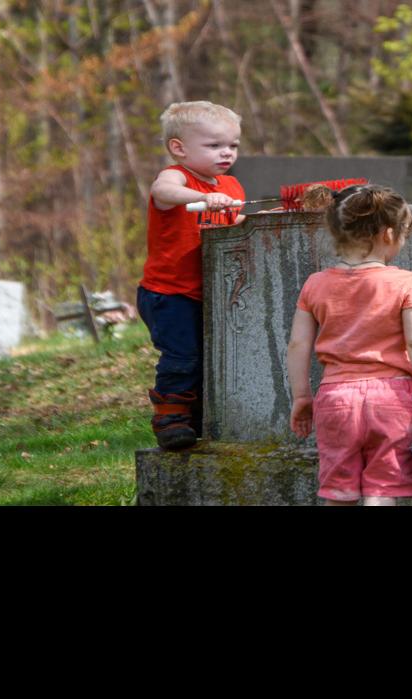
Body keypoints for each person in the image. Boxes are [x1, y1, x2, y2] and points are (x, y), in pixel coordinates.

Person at [286, 185, 412, 507]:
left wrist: (302, 396)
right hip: (392, 400)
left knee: (339, 491)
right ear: (388, 234)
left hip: (335, 400)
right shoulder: (407, 282)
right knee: (382, 490)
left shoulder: (315, 284)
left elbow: (298, 344)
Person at [138, 100, 247, 450]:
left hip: (210, 292)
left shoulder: (231, 186)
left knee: (210, 355)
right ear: (179, 148)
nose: (226, 153)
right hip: (169, 293)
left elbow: (233, 223)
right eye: (214, 145)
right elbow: (163, 192)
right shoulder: (177, 178)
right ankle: (170, 416)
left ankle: (198, 415)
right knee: (183, 356)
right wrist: (201, 197)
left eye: (232, 145)